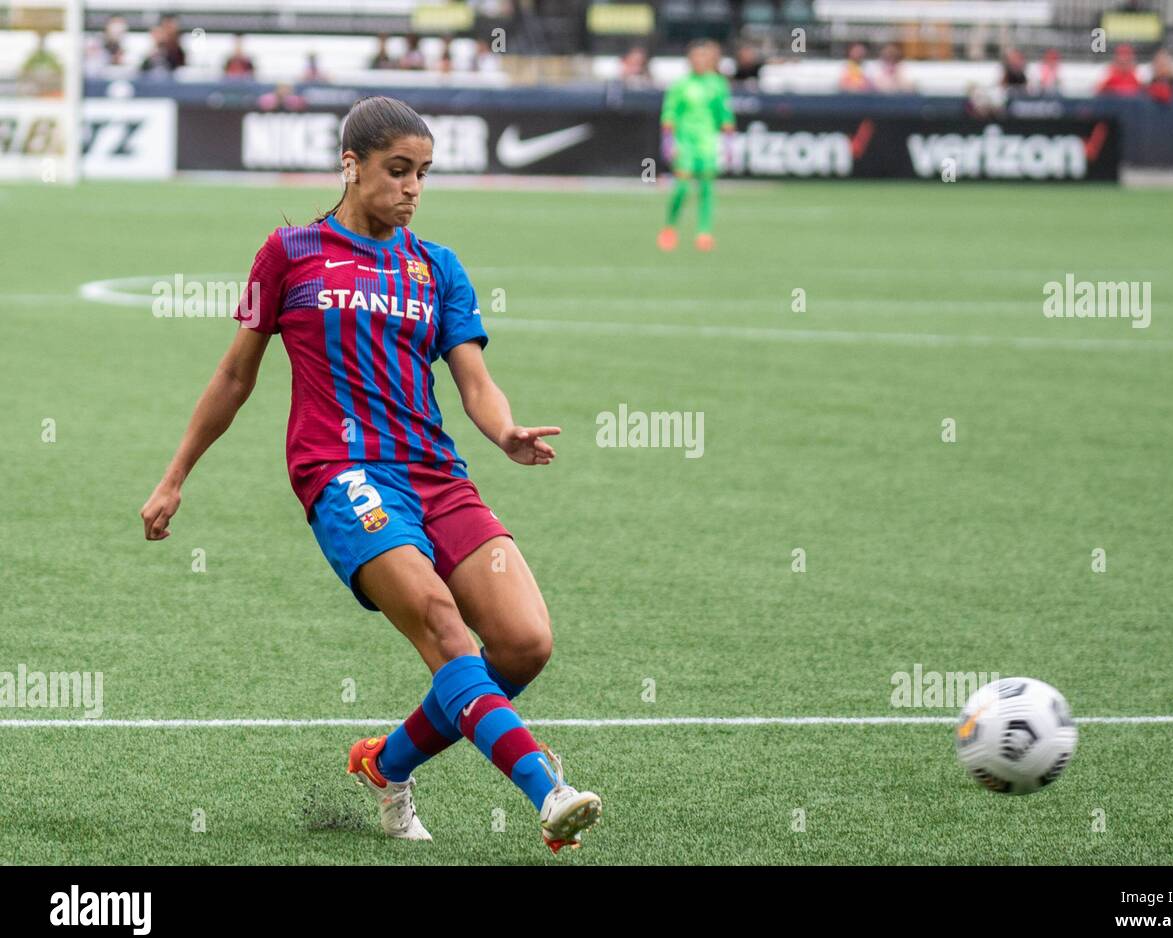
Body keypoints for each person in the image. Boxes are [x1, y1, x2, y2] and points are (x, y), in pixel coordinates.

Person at [139, 96, 603, 853]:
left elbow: (475, 379)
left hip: (436, 474)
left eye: (423, 173)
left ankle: (386, 766)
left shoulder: (437, 266)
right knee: (445, 629)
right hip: (343, 472)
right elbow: (234, 376)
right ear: (351, 165)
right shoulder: (288, 252)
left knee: (523, 643)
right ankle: (546, 790)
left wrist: (504, 429)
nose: (413, 188)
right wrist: (175, 474)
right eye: (398, 170)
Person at [658, 39, 735, 253]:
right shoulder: (681, 85)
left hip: (707, 144)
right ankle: (670, 227)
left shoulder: (718, 84)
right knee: (681, 188)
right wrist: (668, 141)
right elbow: (669, 114)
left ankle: (704, 232)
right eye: (696, 57)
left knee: (706, 189)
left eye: (704, 57)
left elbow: (725, 115)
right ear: (690, 60)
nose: (700, 61)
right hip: (685, 143)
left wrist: (729, 145)